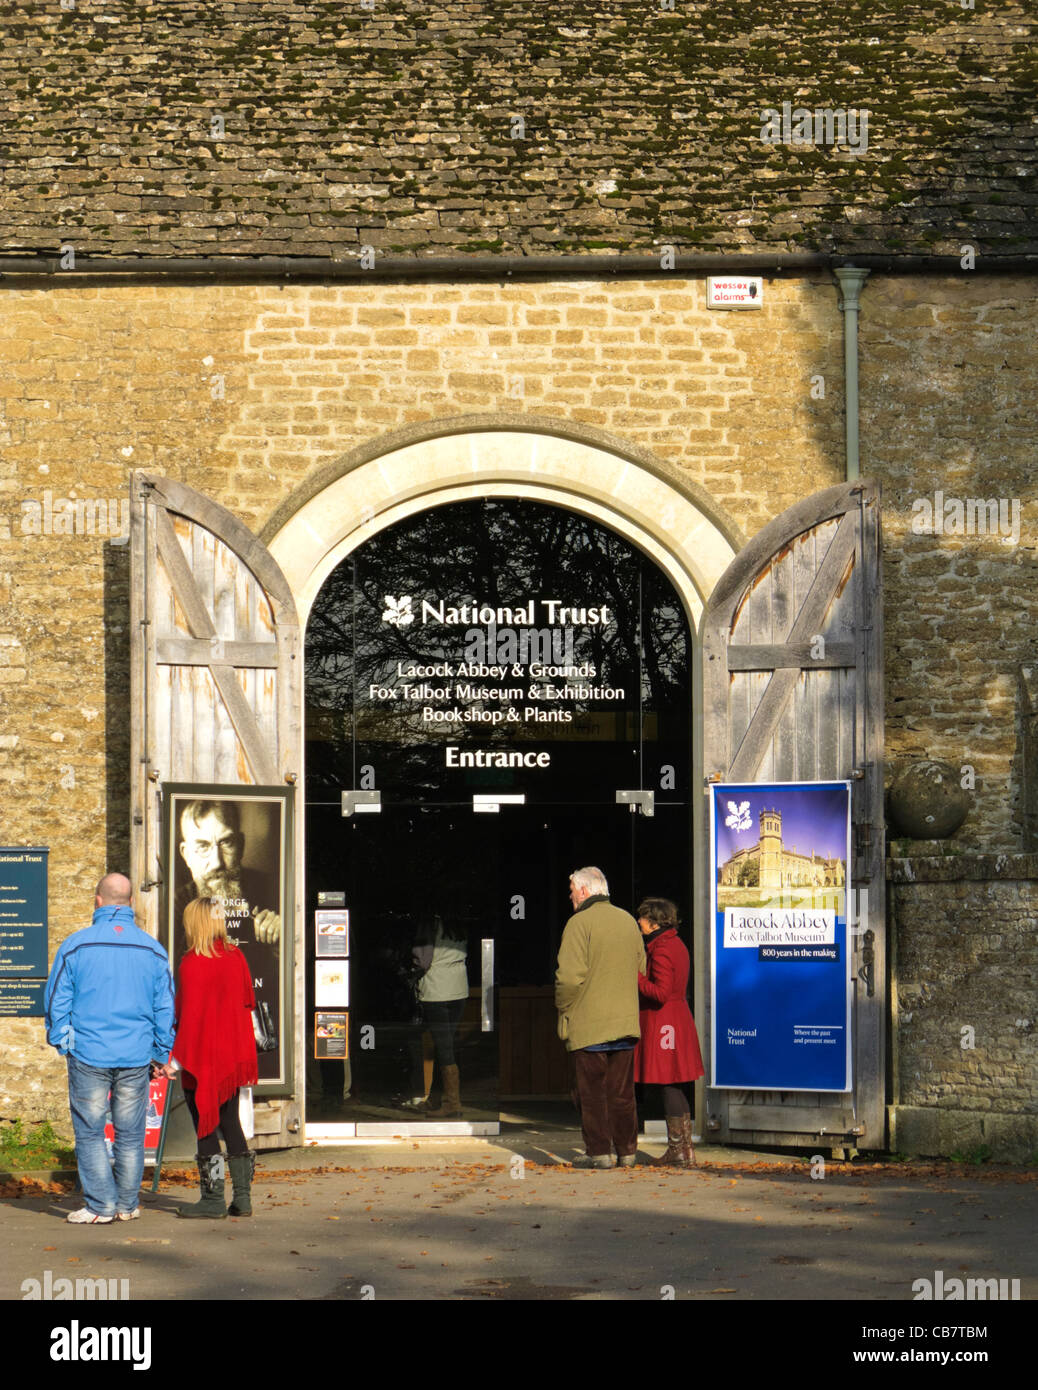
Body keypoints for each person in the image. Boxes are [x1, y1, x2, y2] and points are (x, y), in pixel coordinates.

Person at [44, 873, 174, 1224]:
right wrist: (161, 1051)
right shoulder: (152, 949)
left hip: (89, 1052)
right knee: (131, 1134)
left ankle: (101, 1205)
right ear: (130, 903)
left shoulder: (76, 945)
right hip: (135, 1054)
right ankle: (127, 1204)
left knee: (89, 1131)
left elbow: (57, 999)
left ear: (97, 900)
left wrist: (61, 1040)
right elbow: (165, 1006)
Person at [163, 897, 259, 1219]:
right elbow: (248, 1000)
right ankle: (243, 1199)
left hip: (201, 1056)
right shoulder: (237, 957)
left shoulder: (191, 963)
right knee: (231, 1123)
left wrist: (174, 1059)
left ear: (195, 923)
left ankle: (213, 1199)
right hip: (230, 1057)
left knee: (205, 1125)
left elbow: (186, 1017)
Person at [173, 799, 280, 1078]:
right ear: (185, 853)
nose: (218, 861)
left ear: (241, 844)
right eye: (203, 846)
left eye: (226, 842)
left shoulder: (273, 891)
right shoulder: (172, 907)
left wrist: (283, 944)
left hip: (260, 1044)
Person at [555, 867, 645, 1169]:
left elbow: (568, 978)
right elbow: (641, 970)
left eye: (571, 891)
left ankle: (599, 1153)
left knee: (591, 1093)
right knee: (622, 1092)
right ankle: (627, 1151)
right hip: (625, 1022)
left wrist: (563, 1007)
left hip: (589, 1023)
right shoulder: (628, 921)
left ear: (583, 891)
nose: (570, 897)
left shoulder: (579, 923)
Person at [634, 897, 705, 1167]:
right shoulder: (675, 943)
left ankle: (678, 1151)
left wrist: (636, 977)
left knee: (669, 1084)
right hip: (677, 1019)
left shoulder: (662, 949)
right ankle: (684, 1150)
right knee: (674, 1083)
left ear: (653, 923)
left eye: (642, 918)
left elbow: (660, 992)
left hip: (665, 1021)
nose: (638, 922)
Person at [406, 913, 469, 1118]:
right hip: (459, 987)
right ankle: (435, 1099)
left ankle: (452, 1103)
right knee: (447, 1045)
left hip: (436, 989)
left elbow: (423, 959)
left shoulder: (431, 922)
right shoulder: (460, 922)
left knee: (443, 1048)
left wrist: (410, 972)